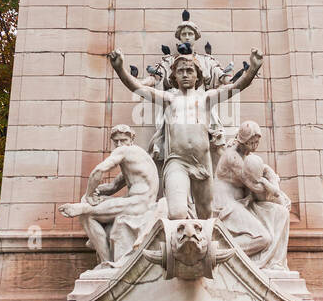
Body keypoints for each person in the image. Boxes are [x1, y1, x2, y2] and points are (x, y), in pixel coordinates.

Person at [109, 48, 262, 220]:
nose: (185, 74)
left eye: (190, 70)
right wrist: (119, 68)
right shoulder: (168, 99)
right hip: (177, 162)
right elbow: (138, 88)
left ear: (198, 75)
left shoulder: (206, 98)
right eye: (180, 71)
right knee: (177, 213)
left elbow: (235, 87)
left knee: (206, 215)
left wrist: (253, 68)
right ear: (174, 76)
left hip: (202, 163)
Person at [59, 125, 161, 265]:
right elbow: (112, 186)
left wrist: (89, 195)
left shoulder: (125, 151)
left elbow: (98, 171)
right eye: (116, 142)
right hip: (136, 202)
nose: (119, 145)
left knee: (87, 216)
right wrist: (96, 192)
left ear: (131, 140)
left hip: (139, 204)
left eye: (123, 140)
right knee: (90, 205)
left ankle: (105, 263)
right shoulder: (137, 158)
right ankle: (87, 213)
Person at [214, 121, 291, 268]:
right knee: (263, 238)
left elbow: (258, 178)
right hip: (225, 204)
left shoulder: (245, 153)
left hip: (243, 202)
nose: (255, 146)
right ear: (243, 141)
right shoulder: (233, 157)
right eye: (251, 142)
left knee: (280, 213)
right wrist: (272, 181)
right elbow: (256, 186)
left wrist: (269, 176)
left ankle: (275, 263)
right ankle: (216, 251)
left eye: (257, 142)